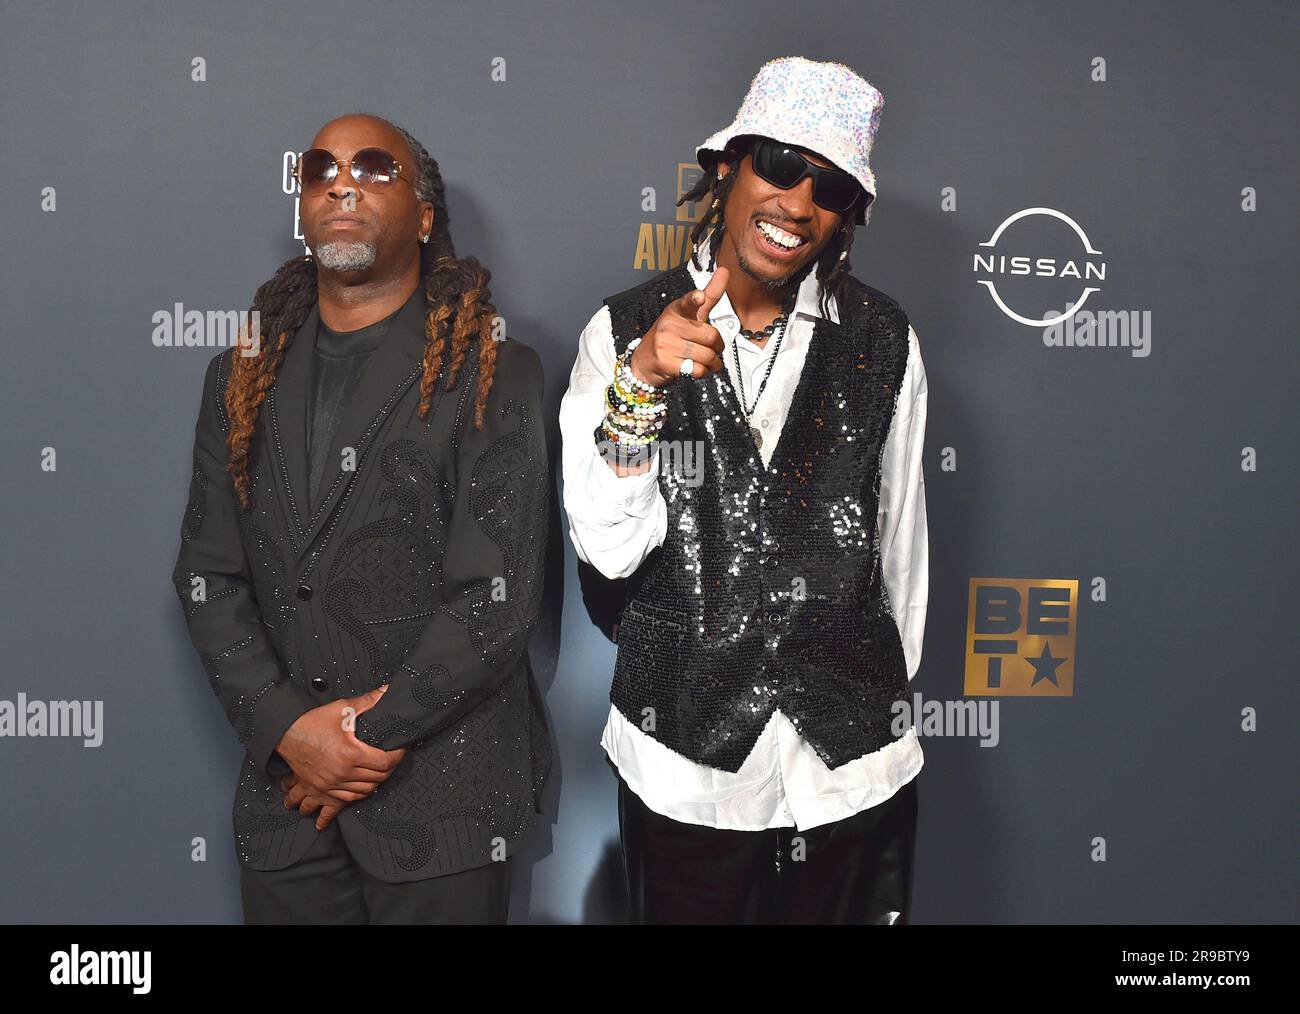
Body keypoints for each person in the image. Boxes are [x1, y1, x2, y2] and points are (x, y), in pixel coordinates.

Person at [560, 57, 929, 924]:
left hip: (854, 774)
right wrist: (641, 386)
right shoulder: (622, 329)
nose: (797, 202)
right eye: (780, 166)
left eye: (829, 185)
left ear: (847, 214)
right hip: (685, 771)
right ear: (726, 169)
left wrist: (865, 700)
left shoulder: (885, 340)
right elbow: (609, 548)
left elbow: (901, 552)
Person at [172, 113, 550, 924]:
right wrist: (288, 733)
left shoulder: (493, 370)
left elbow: (495, 596)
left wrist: (357, 739)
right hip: (288, 809)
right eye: (320, 170)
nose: (342, 183)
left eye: (375, 168)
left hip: (444, 801)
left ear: (422, 215)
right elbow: (208, 575)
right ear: (303, 206)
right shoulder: (238, 375)